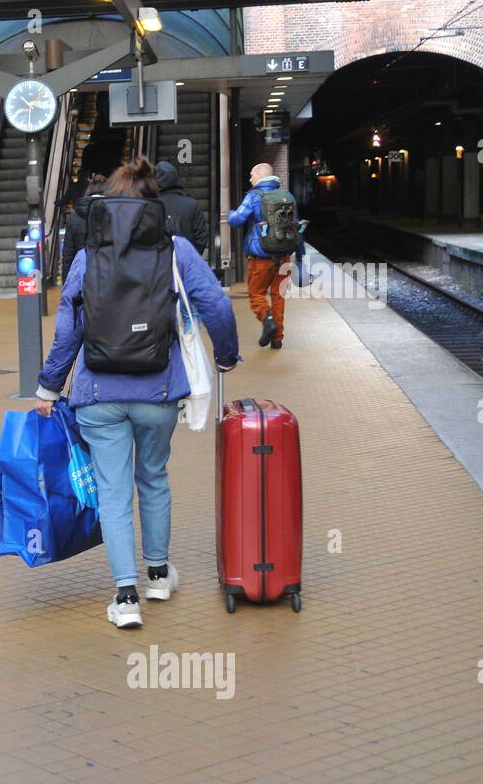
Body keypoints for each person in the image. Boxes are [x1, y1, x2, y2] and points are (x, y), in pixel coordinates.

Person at [34, 156, 240, 630]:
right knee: (153, 477)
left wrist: (48, 387)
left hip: (98, 393)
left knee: (112, 490)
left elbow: (68, 331)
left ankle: (125, 598)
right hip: (158, 391)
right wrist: (226, 355)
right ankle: (159, 575)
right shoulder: (176, 251)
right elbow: (217, 307)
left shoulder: (88, 256)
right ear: (153, 205)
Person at [228, 162, 304, 350]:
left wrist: (228, 214)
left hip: (261, 258)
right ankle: (277, 338)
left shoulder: (254, 196)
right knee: (278, 296)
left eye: (252, 174)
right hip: (284, 256)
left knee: (256, 294)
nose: (250, 178)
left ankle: (268, 320)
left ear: (260, 175)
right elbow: (297, 229)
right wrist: (300, 256)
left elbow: (237, 220)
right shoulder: (288, 196)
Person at [155, 161, 209, 257]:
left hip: (160, 266)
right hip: (185, 265)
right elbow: (202, 236)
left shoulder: (152, 206)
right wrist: (191, 258)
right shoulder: (192, 204)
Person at [60, 178, 106, 281]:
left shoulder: (75, 216)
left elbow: (68, 256)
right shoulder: (114, 212)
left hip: (83, 278)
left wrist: (66, 283)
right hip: (107, 279)